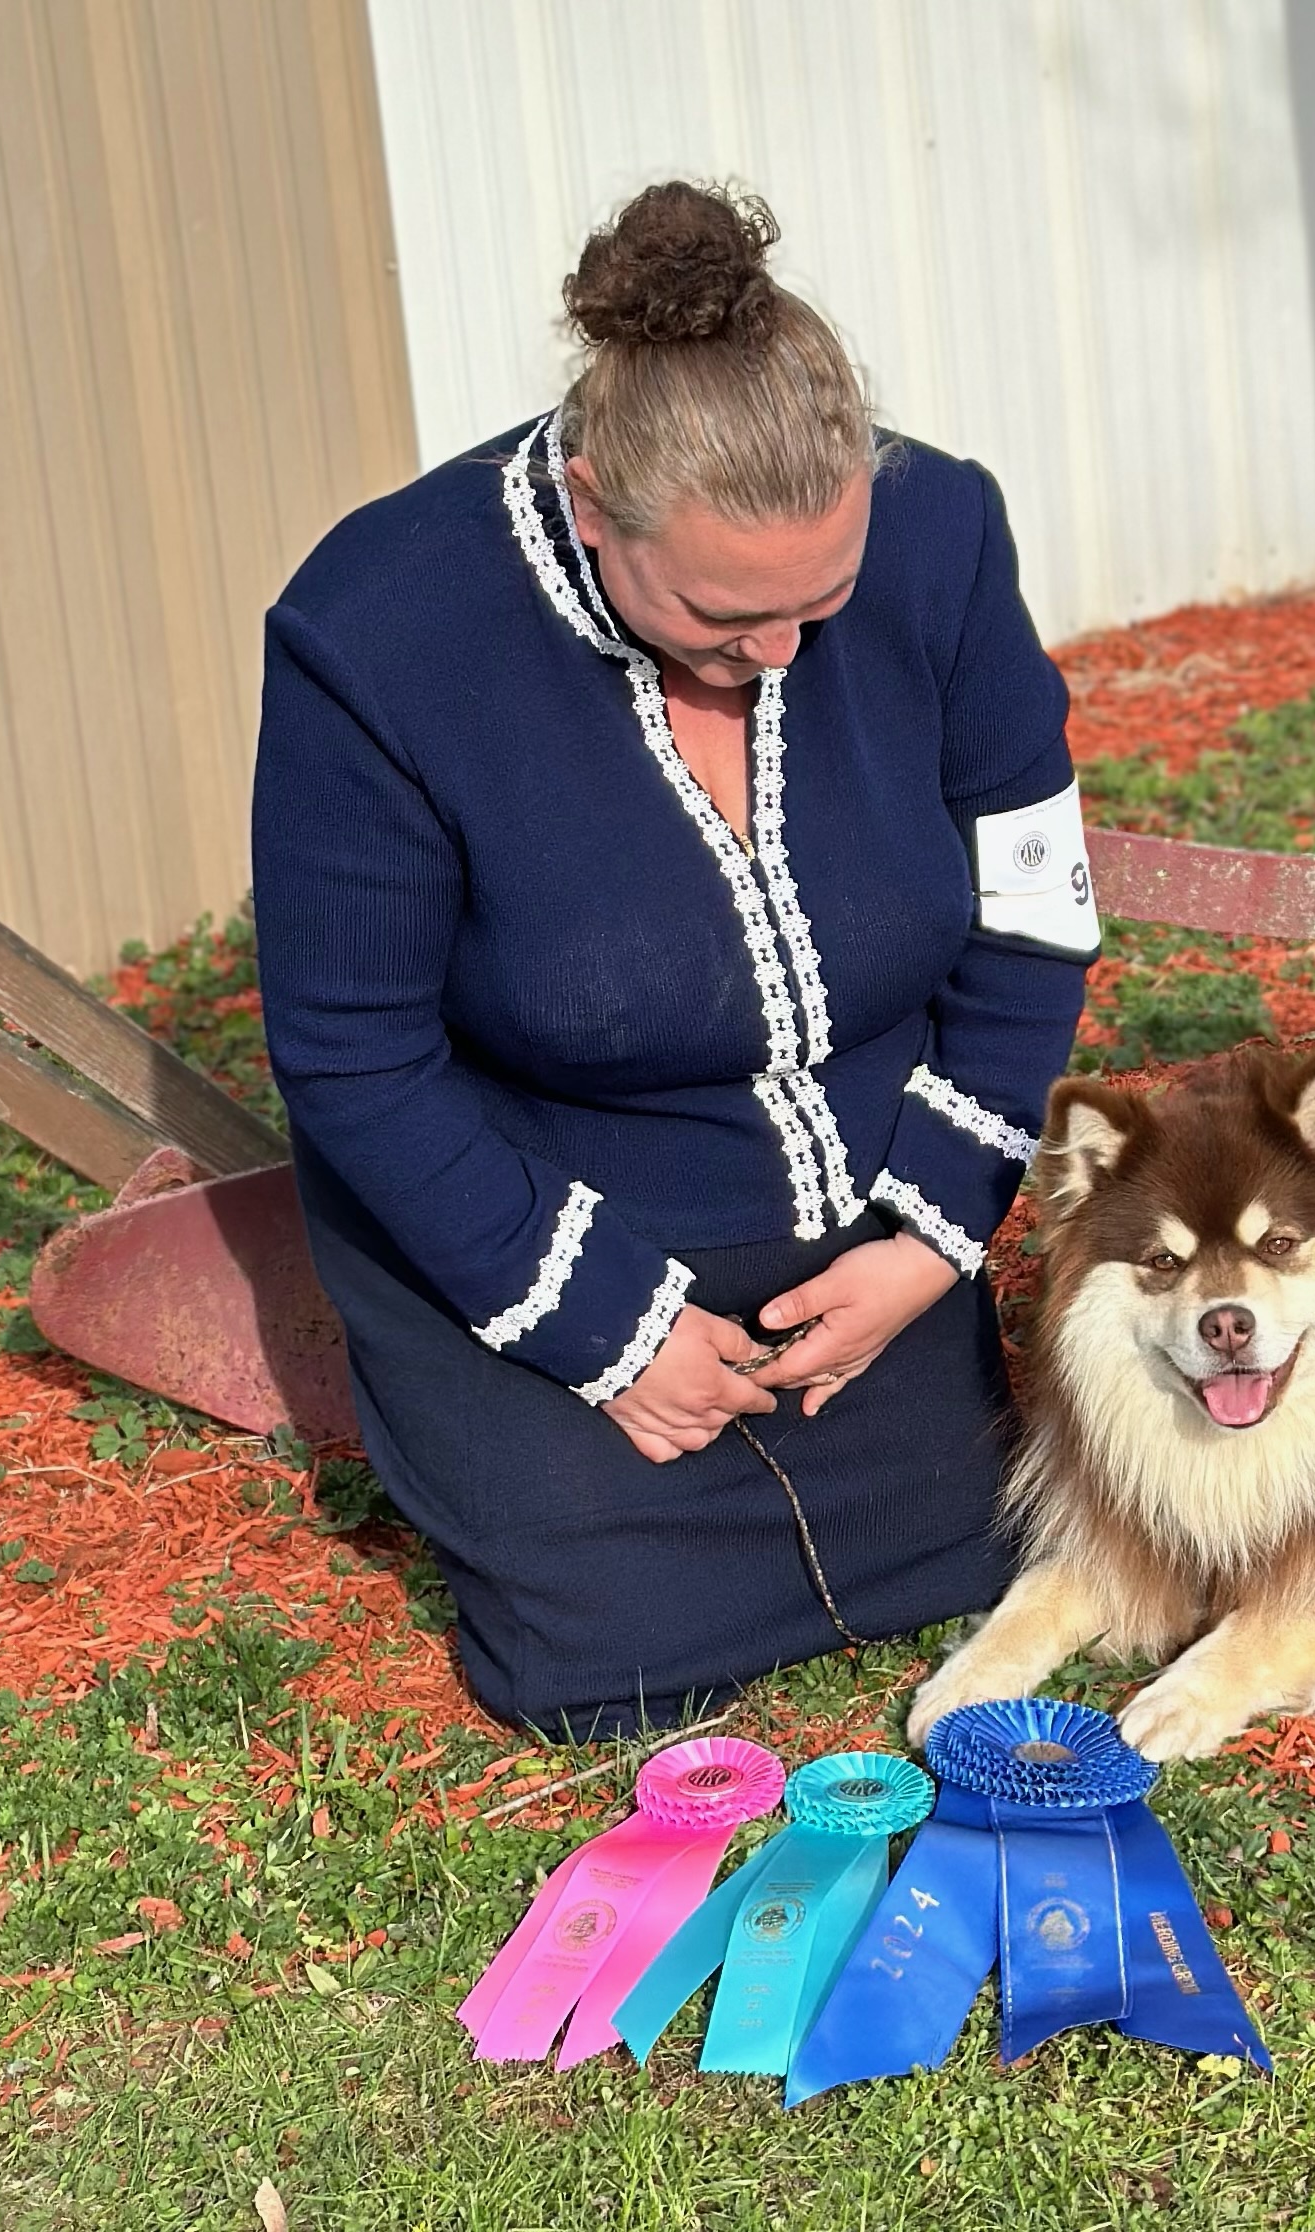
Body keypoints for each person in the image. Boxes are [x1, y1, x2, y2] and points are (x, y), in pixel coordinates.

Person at [251, 183, 1097, 1740]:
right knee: (613, 1657)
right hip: (547, 1222)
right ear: (591, 507)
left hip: (872, 1222)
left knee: (983, 1552)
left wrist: (932, 1235)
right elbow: (352, 1054)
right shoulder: (377, 634)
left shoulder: (940, 530)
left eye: (820, 605)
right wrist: (603, 1325)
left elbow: (1033, 907)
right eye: (722, 614)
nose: (780, 657)